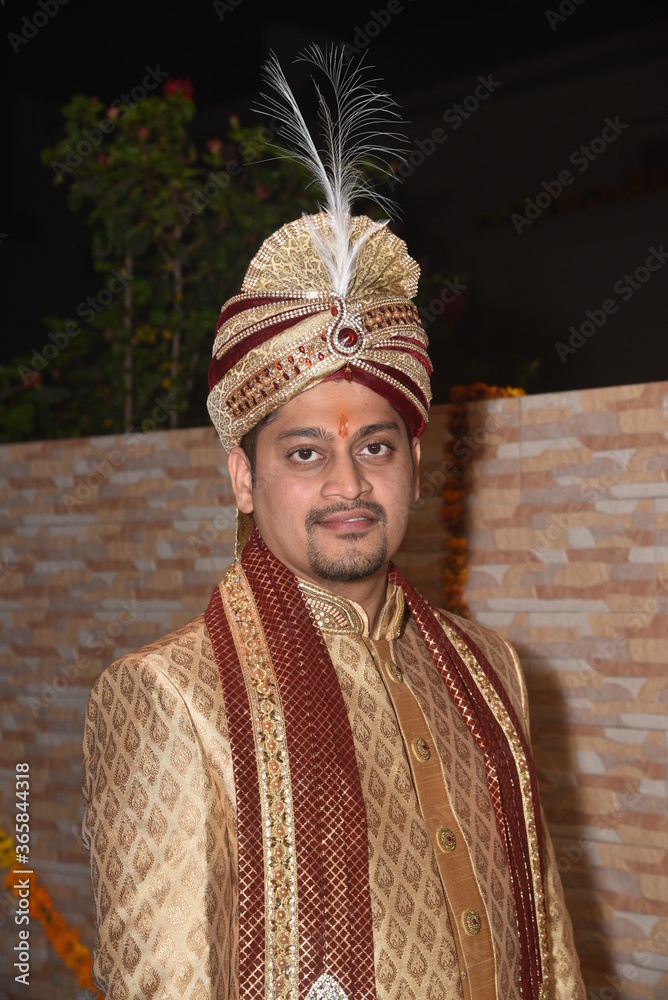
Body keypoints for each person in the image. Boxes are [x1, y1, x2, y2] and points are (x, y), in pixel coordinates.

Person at [81, 47, 586, 1000]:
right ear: (243, 475)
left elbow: (549, 949)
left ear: (416, 463)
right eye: (305, 452)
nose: (349, 483)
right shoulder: (167, 697)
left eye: (379, 447)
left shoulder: (491, 670)